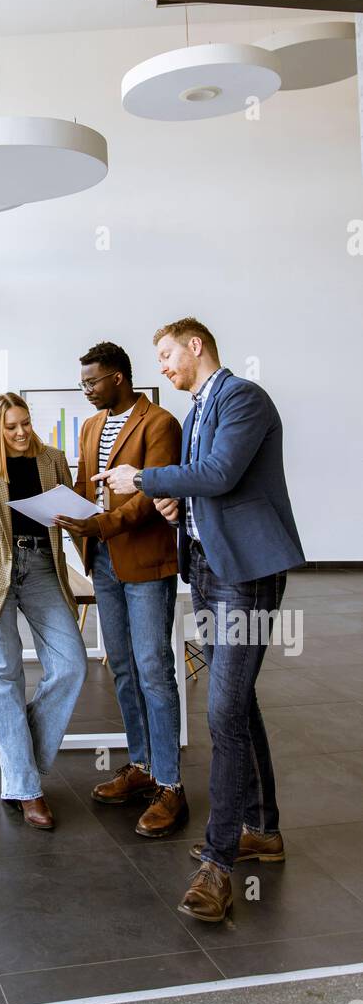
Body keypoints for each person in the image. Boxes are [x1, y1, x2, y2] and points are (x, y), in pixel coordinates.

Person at [98, 318, 304, 924]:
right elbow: (202, 488)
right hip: (210, 573)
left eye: (165, 354)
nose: (160, 365)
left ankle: (218, 864)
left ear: (196, 347)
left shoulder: (243, 398)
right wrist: (171, 501)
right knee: (237, 702)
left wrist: (142, 478)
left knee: (221, 711)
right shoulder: (194, 413)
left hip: (246, 575)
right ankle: (262, 831)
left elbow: (220, 475)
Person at [55, 342, 187, 837]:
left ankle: (171, 786)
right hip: (104, 561)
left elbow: (153, 494)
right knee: (125, 665)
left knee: (154, 667)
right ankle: (142, 766)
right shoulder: (90, 427)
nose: (86, 390)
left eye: (93, 381)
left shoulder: (159, 423)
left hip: (144, 558)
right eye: (83, 382)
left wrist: (103, 525)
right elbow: (91, 490)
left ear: (119, 377)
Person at [0, 393, 88, 828]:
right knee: (1, 675)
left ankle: (22, 763)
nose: (20, 433)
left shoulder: (52, 459)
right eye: (11, 427)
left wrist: (73, 518)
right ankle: (27, 788)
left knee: (71, 664)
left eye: (25, 424)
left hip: (41, 567)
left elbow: (69, 513)